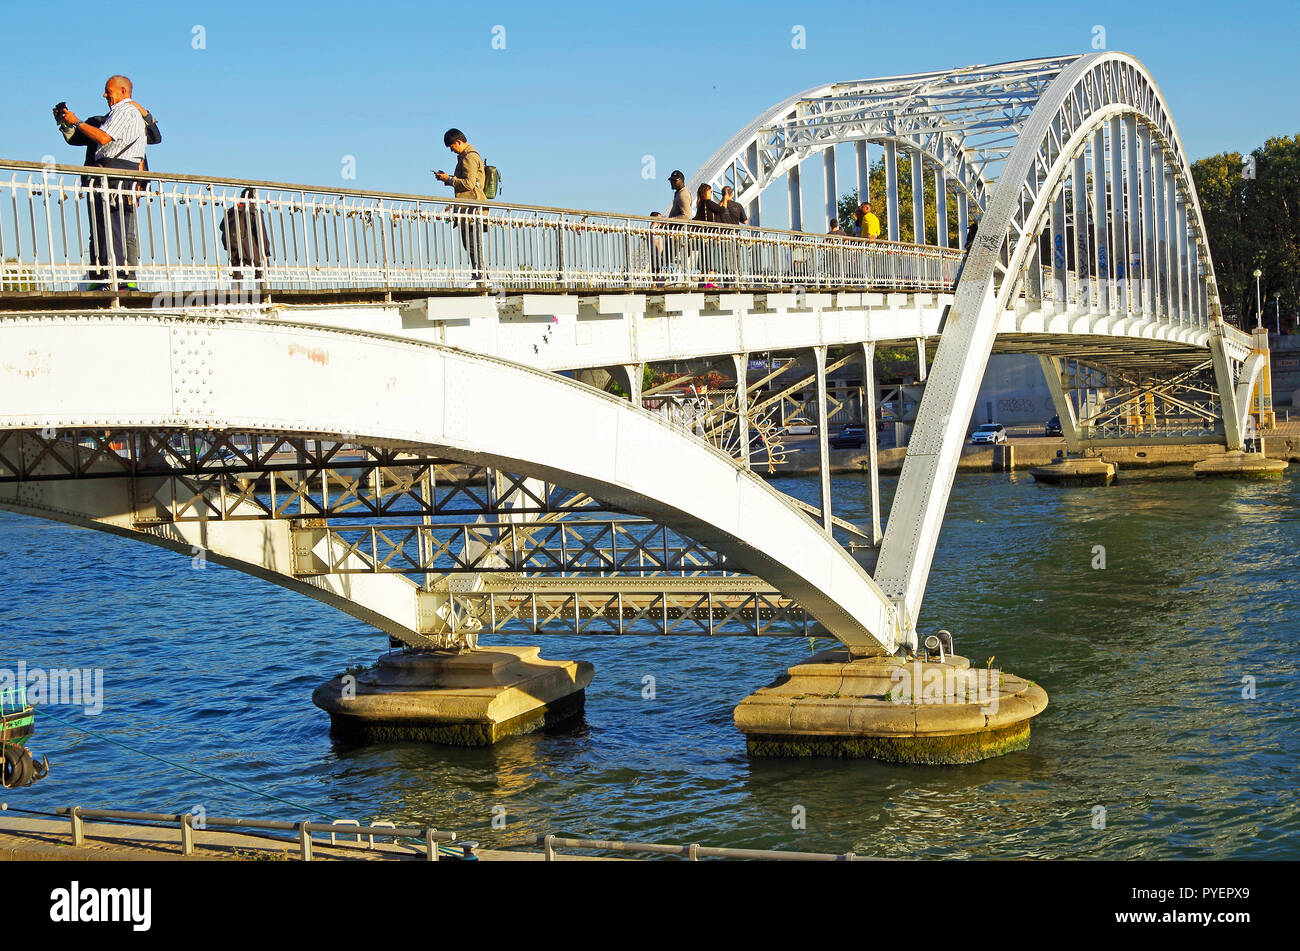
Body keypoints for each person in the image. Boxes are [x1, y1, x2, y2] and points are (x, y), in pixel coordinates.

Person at [56, 76, 150, 289]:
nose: (105, 95)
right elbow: (84, 139)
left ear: (123, 91)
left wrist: (77, 121)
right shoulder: (118, 113)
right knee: (105, 227)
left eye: (109, 91)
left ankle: (117, 280)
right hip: (113, 175)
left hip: (116, 175)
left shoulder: (125, 111)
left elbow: (103, 138)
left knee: (113, 227)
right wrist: (66, 123)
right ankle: (108, 278)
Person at [434, 128, 488, 286]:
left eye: (452, 146)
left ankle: (479, 276)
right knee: (471, 243)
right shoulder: (467, 156)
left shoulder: (469, 157)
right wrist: (448, 178)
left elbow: (469, 184)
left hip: (471, 208)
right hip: (469, 208)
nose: (452, 150)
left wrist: (449, 179)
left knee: (472, 243)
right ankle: (481, 276)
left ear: (458, 141)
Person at [220, 187, 273, 286]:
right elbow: (261, 233)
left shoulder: (232, 210)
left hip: (234, 248)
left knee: (237, 274)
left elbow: (222, 226)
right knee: (262, 268)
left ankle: (236, 298)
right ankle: (261, 296)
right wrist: (266, 252)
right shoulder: (254, 210)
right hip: (249, 248)